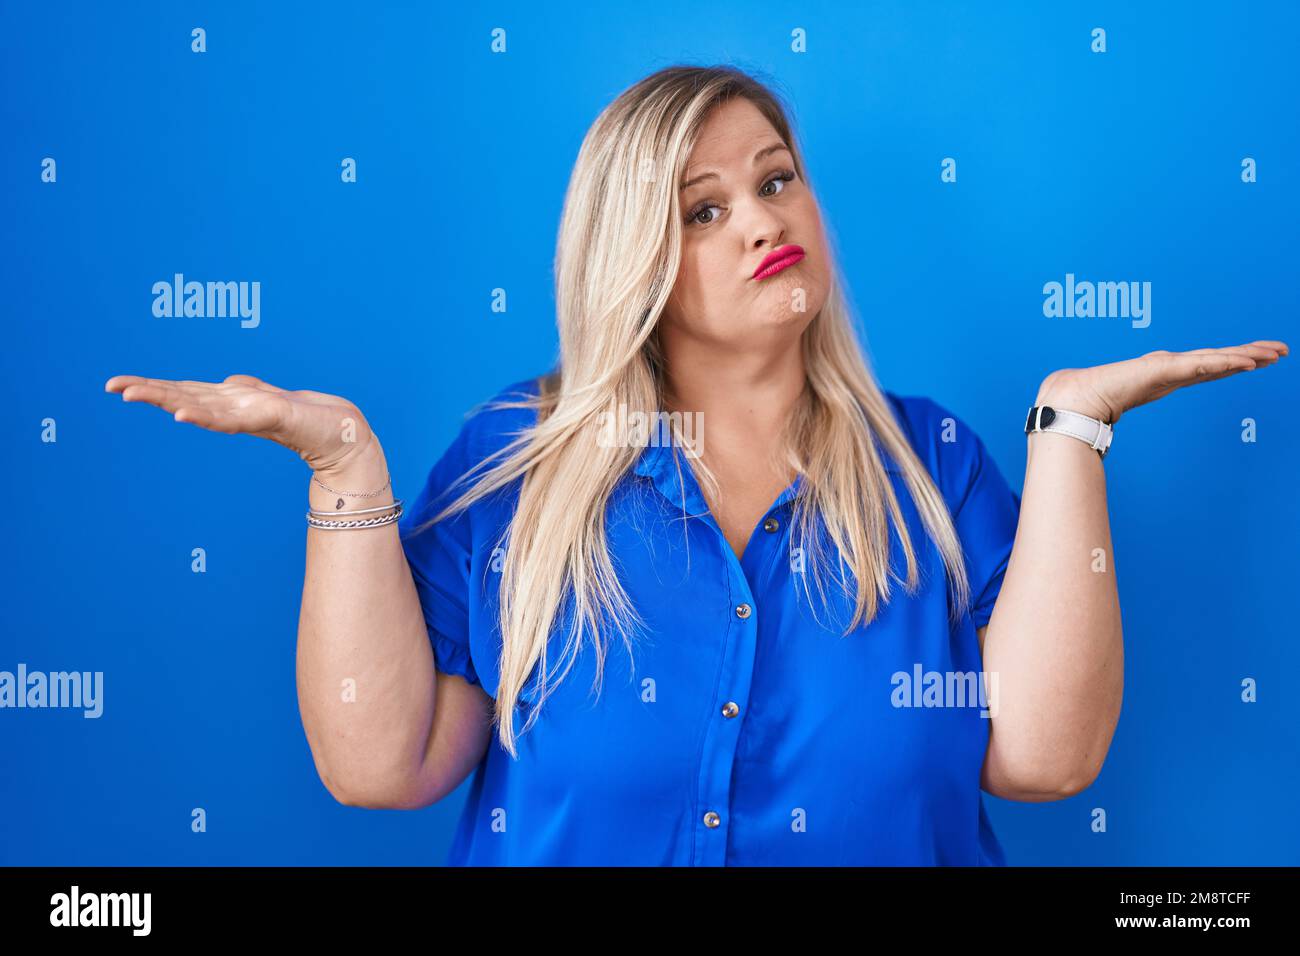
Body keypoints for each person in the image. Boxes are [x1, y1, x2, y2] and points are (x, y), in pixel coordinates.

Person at [104, 65, 1288, 865]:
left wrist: (1070, 430)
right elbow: (386, 760)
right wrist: (343, 467)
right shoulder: (519, 463)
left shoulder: (929, 462)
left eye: (776, 181)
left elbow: (1044, 757)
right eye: (703, 209)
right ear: (633, 258)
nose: (764, 222)